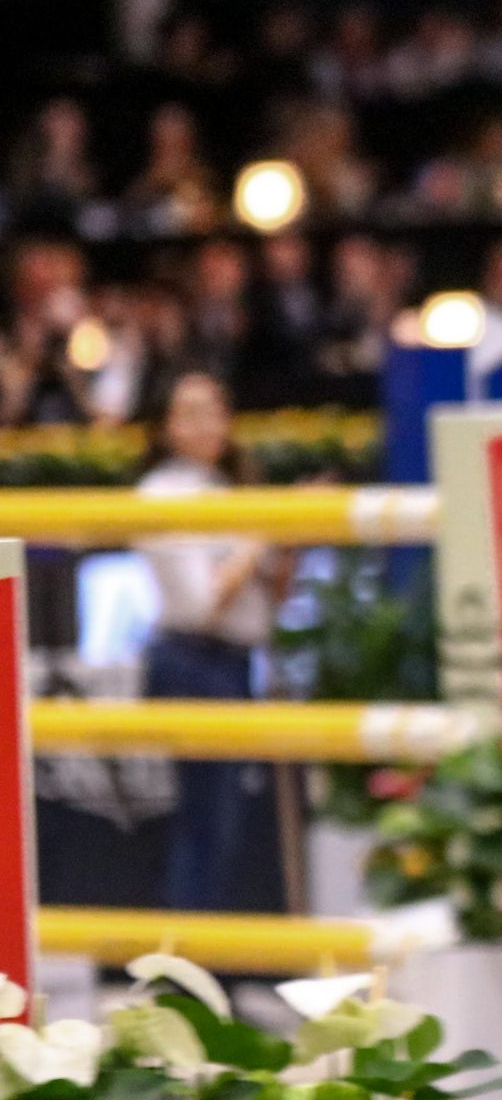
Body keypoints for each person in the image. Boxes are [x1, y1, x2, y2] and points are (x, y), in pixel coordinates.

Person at [135, 371, 293, 909]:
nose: (206, 424)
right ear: (165, 427)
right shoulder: (157, 494)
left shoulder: (231, 489)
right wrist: (259, 538)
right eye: (190, 411)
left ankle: (207, 968)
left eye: (214, 409)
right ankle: (181, 971)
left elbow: (272, 596)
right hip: (189, 661)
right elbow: (202, 603)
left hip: (234, 661)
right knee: (201, 825)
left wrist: (287, 542)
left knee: (222, 826)